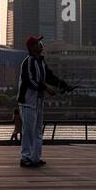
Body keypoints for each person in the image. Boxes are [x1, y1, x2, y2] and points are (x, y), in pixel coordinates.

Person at [17, 34, 70, 168]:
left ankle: (36, 157)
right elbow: (30, 81)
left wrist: (63, 84)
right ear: (32, 47)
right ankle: (25, 157)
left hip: (38, 102)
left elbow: (49, 76)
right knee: (28, 131)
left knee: (38, 131)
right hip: (28, 102)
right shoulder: (28, 62)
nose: (41, 45)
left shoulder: (41, 62)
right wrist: (46, 88)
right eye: (37, 43)